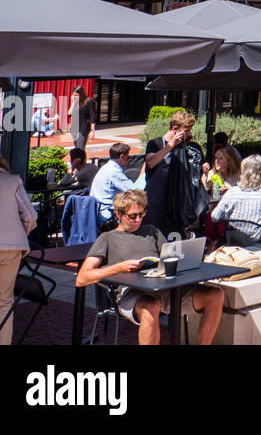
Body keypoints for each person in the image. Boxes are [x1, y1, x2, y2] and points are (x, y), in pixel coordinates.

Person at [75, 190, 223, 345]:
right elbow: (82, 278)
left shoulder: (151, 231)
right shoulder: (107, 238)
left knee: (215, 295)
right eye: (132, 216)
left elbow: (168, 256)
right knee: (151, 306)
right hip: (130, 293)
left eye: (141, 214)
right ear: (118, 214)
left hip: (164, 288)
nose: (138, 220)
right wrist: (119, 267)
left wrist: (182, 258)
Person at [0, 153, 36, 345]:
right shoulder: (13, 181)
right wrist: (19, 233)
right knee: (4, 303)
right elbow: (30, 215)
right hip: (11, 248)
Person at [142, 109, 203, 238]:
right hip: (157, 204)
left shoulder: (184, 147)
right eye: (186, 130)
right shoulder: (155, 144)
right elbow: (151, 163)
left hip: (176, 205)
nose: (189, 134)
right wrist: (170, 146)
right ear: (175, 129)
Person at [211, 154, 261, 245]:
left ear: (243, 172)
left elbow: (214, 217)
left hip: (234, 242)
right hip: (258, 243)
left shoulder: (232, 192)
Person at [90, 142, 138, 225]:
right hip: (108, 215)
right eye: (127, 156)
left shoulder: (105, 168)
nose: (128, 159)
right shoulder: (114, 172)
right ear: (122, 156)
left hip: (98, 211)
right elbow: (135, 191)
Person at [69, 85, 97, 153]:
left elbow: (92, 116)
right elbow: (69, 113)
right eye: (73, 95)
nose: (74, 96)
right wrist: (73, 103)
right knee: (76, 148)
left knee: (80, 148)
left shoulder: (88, 101)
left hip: (83, 127)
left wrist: (92, 130)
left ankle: (82, 162)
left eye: (76, 95)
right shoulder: (76, 102)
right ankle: (78, 162)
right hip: (74, 127)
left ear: (81, 94)